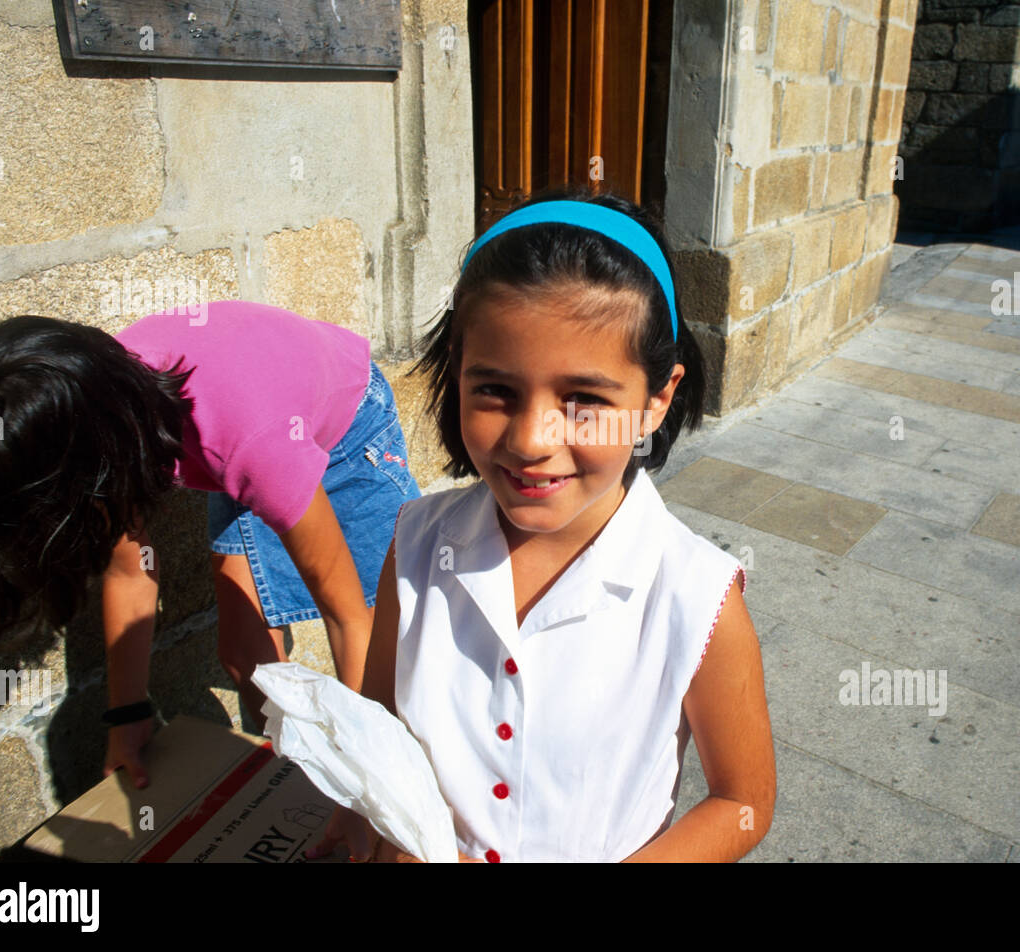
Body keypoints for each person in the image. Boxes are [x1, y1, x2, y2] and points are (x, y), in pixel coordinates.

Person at [316, 192, 776, 862]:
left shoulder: (694, 595)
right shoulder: (414, 544)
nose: (532, 439)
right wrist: (366, 819)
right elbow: (383, 724)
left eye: (584, 399)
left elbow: (743, 802)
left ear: (657, 399)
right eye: (495, 390)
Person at [0, 301, 421, 789]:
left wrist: (372, 787)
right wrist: (127, 716)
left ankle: (396, 785)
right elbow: (131, 573)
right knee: (245, 658)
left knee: (393, 641)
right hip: (249, 422)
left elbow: (348, 618)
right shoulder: (94, 419)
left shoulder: (251, 446)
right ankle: (296, 788)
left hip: (346, 424)